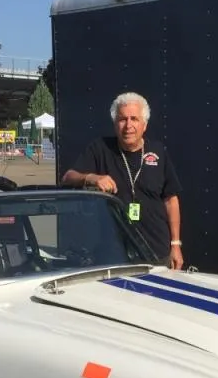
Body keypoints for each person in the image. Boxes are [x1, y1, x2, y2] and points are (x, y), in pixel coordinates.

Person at [61, 91, 184, 269]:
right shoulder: (100, 149)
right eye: (122, 119)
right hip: (114, 255)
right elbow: (68, 177)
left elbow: (171, 201)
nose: (128, 126)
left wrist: (176, 245)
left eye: (134, 119)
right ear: (115, 123)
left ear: (144, 125)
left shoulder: (158, 152)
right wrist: (92, 178)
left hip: (156, 252)